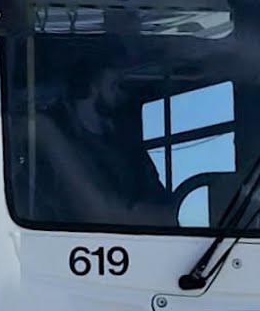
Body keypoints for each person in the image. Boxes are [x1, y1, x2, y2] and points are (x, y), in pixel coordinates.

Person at [29, 51, 177, 227]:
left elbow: (166, 212)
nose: (120, 93)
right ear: (90, 86)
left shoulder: (130, 150)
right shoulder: (55, 141)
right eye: (114, 85)